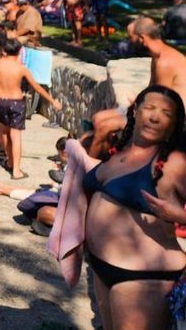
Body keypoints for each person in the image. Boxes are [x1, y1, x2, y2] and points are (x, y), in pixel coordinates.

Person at [70, 86, 186, 329]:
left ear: (174, 124)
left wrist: (178, 215)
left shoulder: (175, 164)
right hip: (102, 268)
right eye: (150, 108)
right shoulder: (120, 149)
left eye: (166, 113)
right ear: (135, 110)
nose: (155, 117)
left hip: (145, 278)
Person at [0, 38, 62, 179]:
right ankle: (16, 170)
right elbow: (37, 87)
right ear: (19, 52)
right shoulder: (21, 69)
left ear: (3, 51)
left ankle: (9, 161)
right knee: (15, 135)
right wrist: (52, 101)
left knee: (4, 131)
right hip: (16, 102)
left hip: (0, 100)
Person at [130, 16, 186, 102]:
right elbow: (151, 88)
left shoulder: (164, 62)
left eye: (130, 37)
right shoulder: (157, 56)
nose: (130, 42)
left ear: (142, 39)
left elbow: (160, 101)